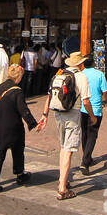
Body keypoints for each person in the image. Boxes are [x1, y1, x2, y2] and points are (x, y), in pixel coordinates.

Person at [0, 64, 38, 194]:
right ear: (19, 77)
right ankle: (20, 174)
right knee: (18, 150)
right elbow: (23, 111)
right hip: (12, 127)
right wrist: (33, 124)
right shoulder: (17, 91)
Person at [40, 54, 87, 199]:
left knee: (63, 147)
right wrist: (91, 116)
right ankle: (62, 189)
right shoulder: (81, 77)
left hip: (58, 113)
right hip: (72, 114)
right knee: (69, 149)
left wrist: (44, 114)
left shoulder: (60, 74)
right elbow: (86, 101)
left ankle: (63, 180)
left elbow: (49, 96)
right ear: (80, 64)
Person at [76, 51, 107, 175]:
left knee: (85, 134)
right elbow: (105, 92)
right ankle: (85, 162)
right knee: (92, 135)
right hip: (95, 109)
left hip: (83, 108)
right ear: (94, 63)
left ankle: (87, 156)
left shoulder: (80, 74)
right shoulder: (99, 74)